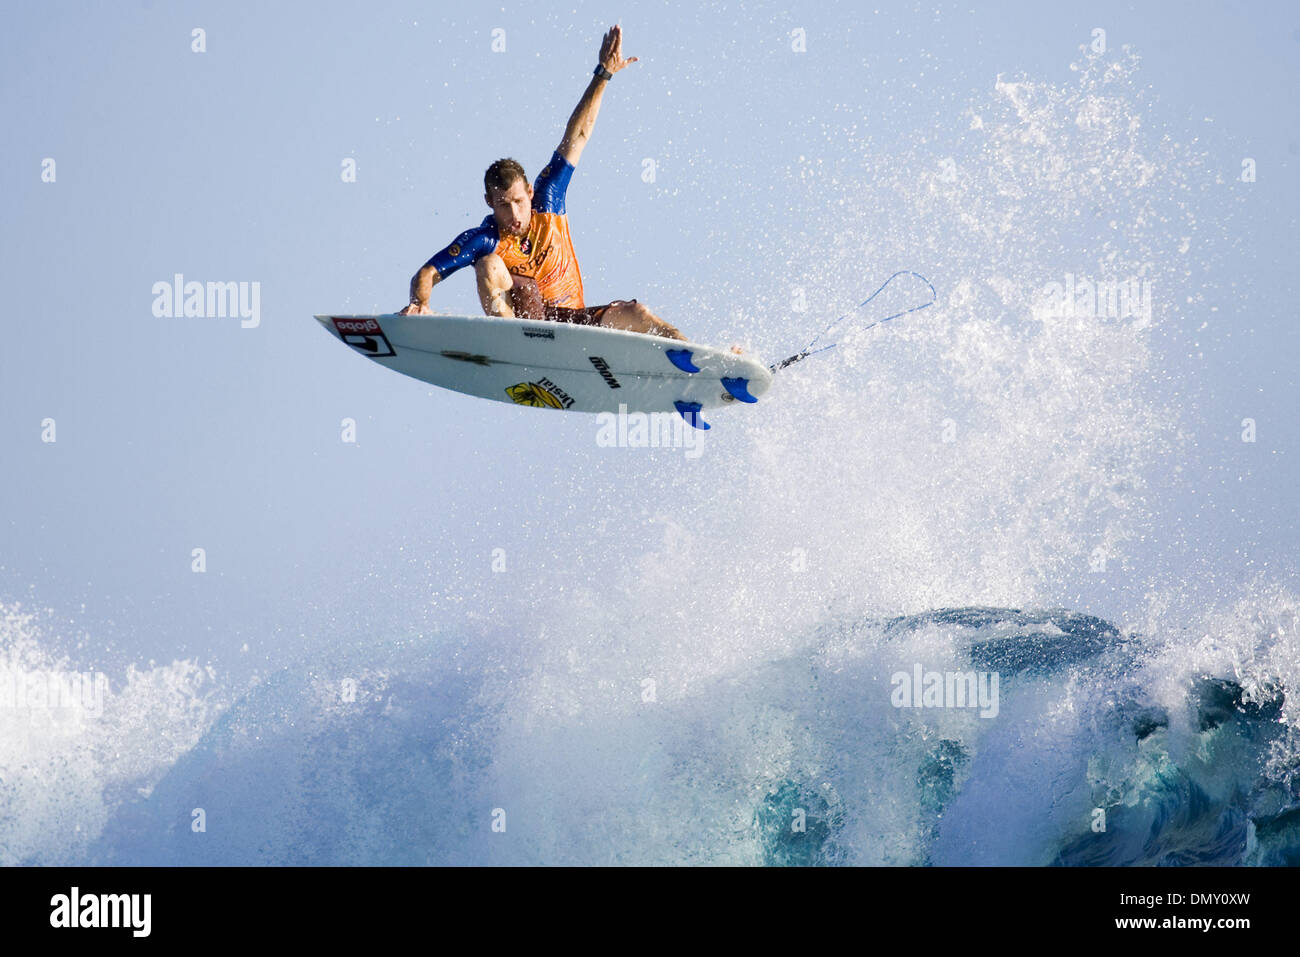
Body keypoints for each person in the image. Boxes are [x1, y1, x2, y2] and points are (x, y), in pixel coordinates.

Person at [399, 24, 686, 341]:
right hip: (529, 325)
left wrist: (603, 74)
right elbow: (426, 274)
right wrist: (419, 304)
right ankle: (513, 341)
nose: (515, 214)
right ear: (489, 203)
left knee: (638, 314)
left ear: (530, 193)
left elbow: (577, 136)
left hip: (574, 325)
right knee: (489, 266)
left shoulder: (548, 201)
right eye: (503, 206)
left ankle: (696, 359)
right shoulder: (483, 240)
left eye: (519, 202)